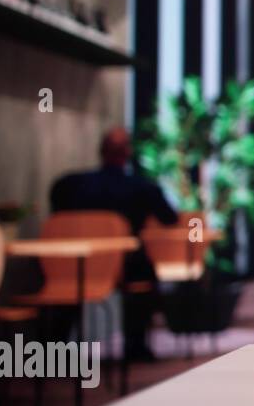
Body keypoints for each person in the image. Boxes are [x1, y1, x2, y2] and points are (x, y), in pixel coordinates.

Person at [50, 126, 177, 360]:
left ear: (101, 151)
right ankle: (136, 345)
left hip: (79, 265)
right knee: (144, 274)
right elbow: (170, 218)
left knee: (69, 277)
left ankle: (53, 349)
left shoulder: (69, 185)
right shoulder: (143, 188)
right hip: (125, 266)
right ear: (127, 153)